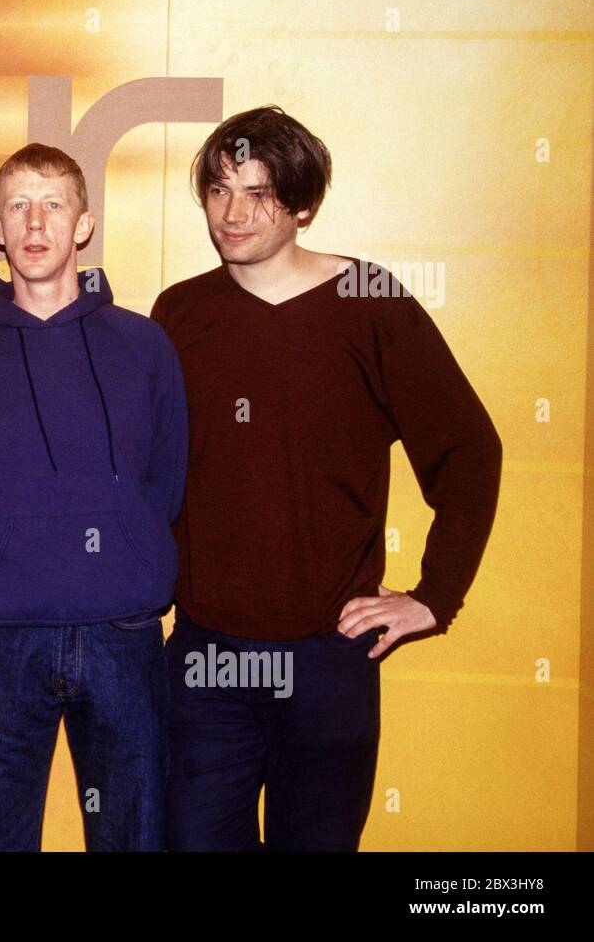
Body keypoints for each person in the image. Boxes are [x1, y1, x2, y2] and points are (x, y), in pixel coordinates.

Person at [151, 105, 503, 851]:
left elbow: (469, 451)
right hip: (205, 653)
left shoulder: (369, 301)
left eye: (259, 192)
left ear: (304, 204)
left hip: (327, 658)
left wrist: (435, 596)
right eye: (218, 190)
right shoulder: (179, 313)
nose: (233, 212)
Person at [0, 143, 188, 851]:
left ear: (83, 224)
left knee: (133, 841)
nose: (35, 222)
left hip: (124, 638)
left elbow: (168, 486)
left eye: (53, 203)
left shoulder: (146, 346)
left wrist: (122, 559)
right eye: (17, 205)